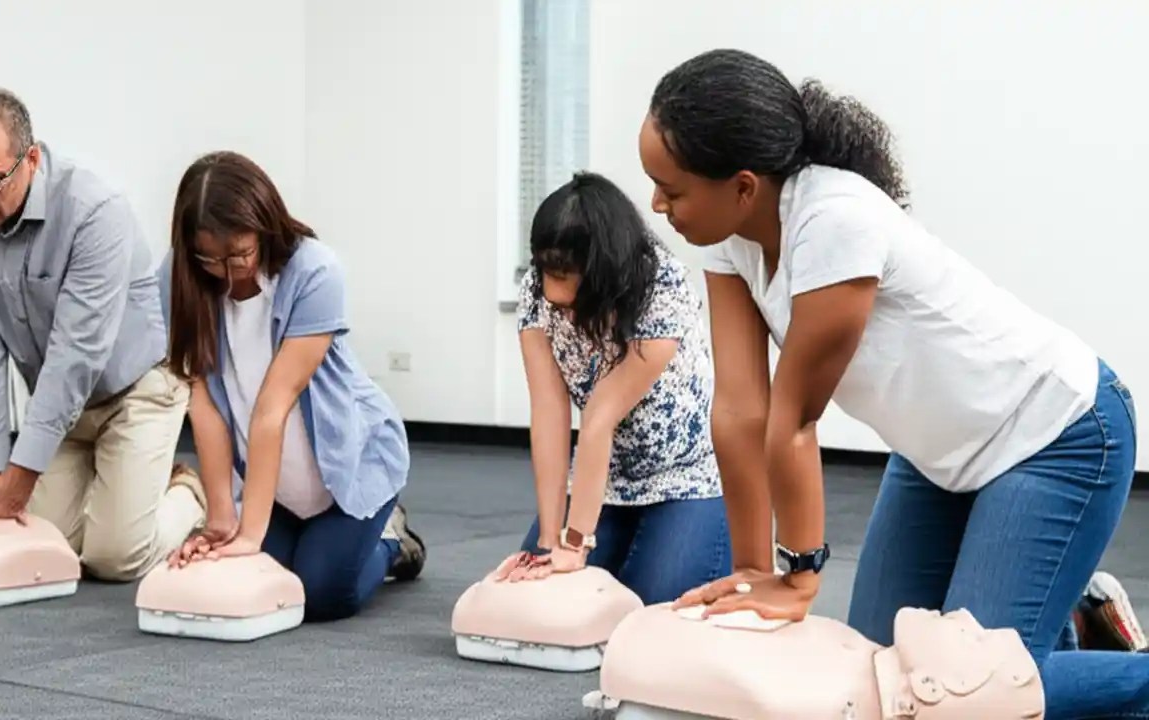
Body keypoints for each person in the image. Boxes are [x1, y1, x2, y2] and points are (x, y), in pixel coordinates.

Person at [641, 49, 1149, 718]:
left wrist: (798, 574)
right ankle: (1069, 624)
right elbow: (740, 410)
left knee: (943, 695)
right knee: (867, 670)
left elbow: (792, 418)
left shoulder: (833, 221)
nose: (656, 204)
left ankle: (1108, 666)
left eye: (672, 189)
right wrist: (752, 574)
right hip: (937, 455)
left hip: (1056, 435)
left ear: (741, 186)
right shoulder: (726, 237)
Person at [0, 86, 205, 581]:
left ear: (30, 159)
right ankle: (123, 491)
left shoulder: (95, 212)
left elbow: (75, 353)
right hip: (61, 408)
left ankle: (187, 491)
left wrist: (22, 477)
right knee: (49, 545)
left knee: (115, 559)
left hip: (137, 391)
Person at [158, 150, 425, 622]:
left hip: (350, 468)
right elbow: (205, 410)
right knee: (262, 578)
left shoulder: (314, 271)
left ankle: (391, 539)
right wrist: (223, 519)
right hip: (274, 481)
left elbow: (272, 406)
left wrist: (250, 532)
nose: (229, 272)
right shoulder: (176, 281)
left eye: (240, 253)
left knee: (320, 594)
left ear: (264, 226)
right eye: (211, 259)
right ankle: (294, 534)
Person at [492, 172, 731, 605]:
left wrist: (577, 542)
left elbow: (600, 417)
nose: (551, 290)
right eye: (546, 270)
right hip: (602, 479)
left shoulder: (663, 287)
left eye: (566, 279)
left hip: (685, 478)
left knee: (648, 612)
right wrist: (551, 540)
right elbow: (549, 411)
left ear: (602, 272)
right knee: (546, 596)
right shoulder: (537, 290)